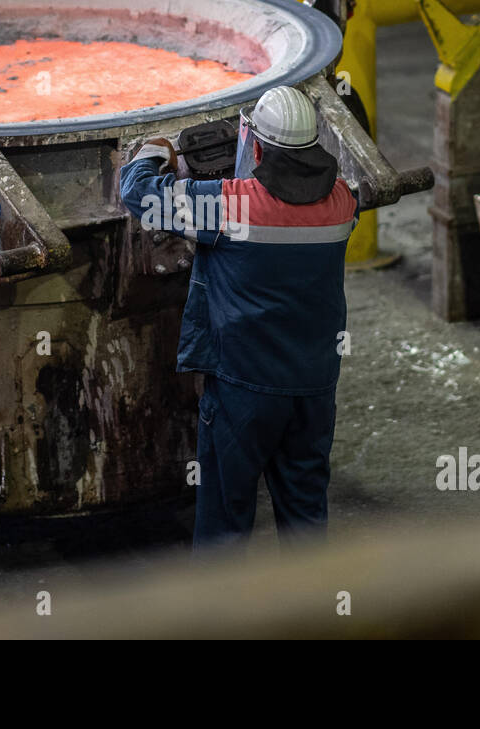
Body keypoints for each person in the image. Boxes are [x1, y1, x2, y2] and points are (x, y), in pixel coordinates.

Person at [119, 85, 358, 549]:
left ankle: (222, 620)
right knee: (306, 513)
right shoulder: (342, 202)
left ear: (258, 146)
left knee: (225, 524)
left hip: (243, 388)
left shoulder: (228, 205)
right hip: (314, 386)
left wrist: (155, 150)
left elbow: (138, 193)